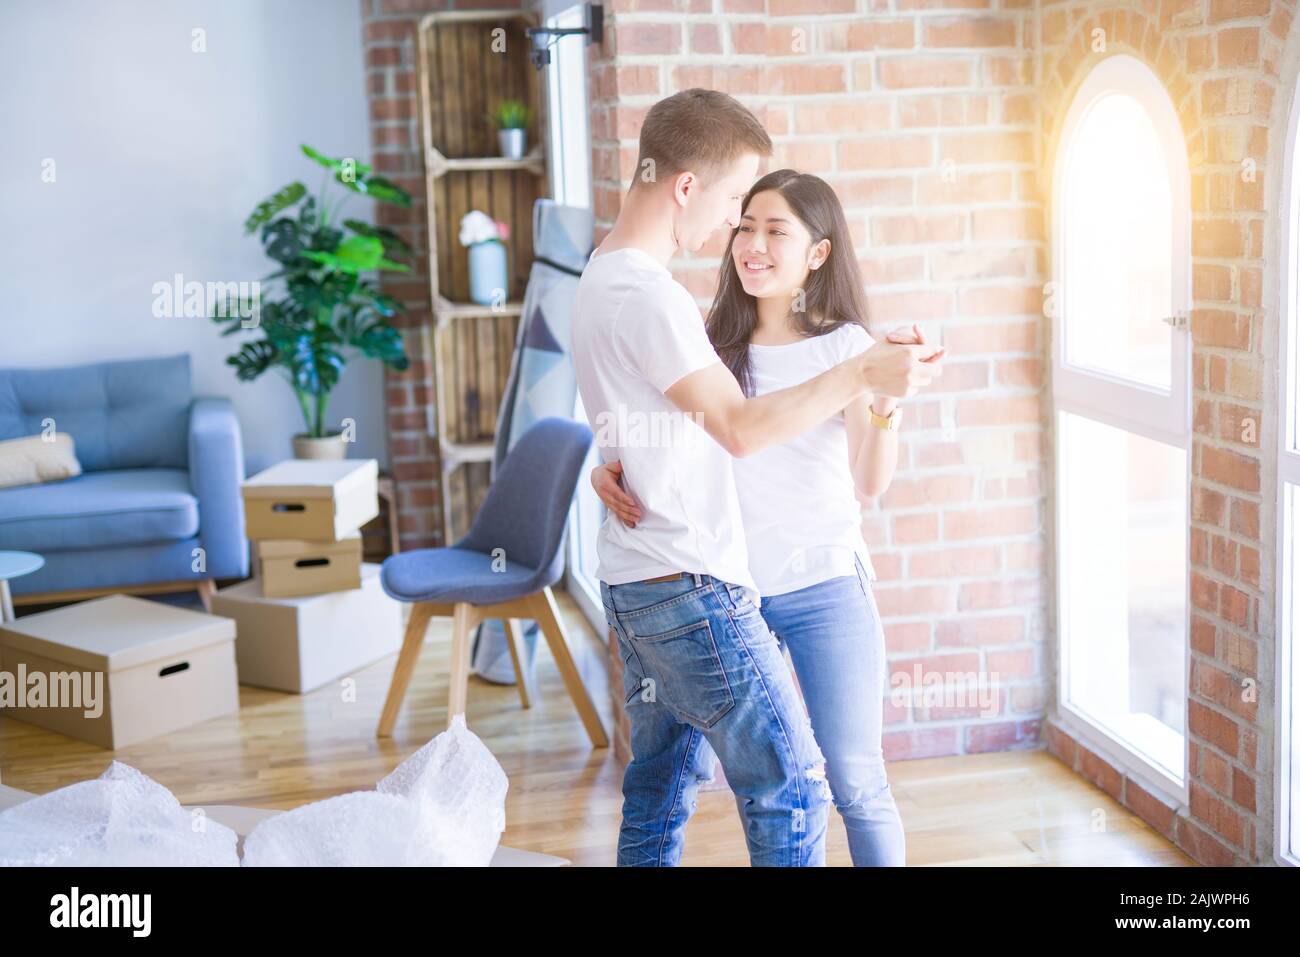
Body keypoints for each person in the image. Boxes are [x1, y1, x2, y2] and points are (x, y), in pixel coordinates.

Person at [570, 89, 944, 866]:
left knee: (823, 779)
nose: (741, 233)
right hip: (710, 586)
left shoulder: (612, 278)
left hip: (781, 583)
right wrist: (605, 467)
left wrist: (876, 390)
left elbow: (866, 479)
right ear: (688, 189)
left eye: (771, 224)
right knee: (781, 784)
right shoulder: (681, 316)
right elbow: (721, 429)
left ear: (817, 253)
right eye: (739, 210)